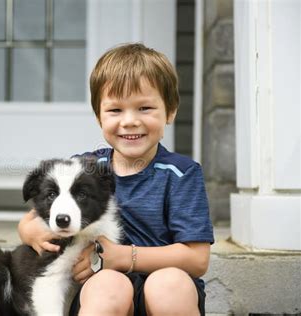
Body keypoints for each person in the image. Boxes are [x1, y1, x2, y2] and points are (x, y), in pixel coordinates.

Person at [18, 43, 214, 316]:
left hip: (165, 288)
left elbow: (197, 259)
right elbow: (36, 216)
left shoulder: (181, 173)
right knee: (107, 285)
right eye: (115, 110)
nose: (130, 121)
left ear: (170, 111)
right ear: (99, 116)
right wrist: (28, 231)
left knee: (168, 283)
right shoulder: (87, 168)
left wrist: (125, 257)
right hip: (102, 285)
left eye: (144, 108)